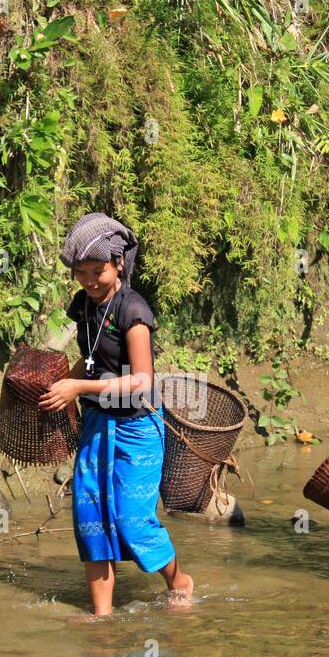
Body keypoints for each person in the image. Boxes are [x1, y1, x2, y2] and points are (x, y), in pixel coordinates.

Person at [37, 212, 193, 616]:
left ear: (118, 263)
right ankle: (102, 618)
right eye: (80, 272)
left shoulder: (133, 311)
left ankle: (179, 580)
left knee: (131, 520)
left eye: (97, 271)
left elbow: (141, 381)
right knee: (90, 516)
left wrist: (79, 388)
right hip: (96, 424)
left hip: (136, 427)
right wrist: (61, 386)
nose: (89, 280)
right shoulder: (85, 305)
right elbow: (88, 361)